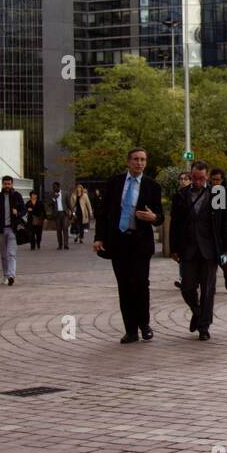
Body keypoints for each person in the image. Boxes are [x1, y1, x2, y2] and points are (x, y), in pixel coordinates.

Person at [93, 147, 164, 344]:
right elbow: (103, 213)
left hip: (140, 242)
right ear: (128, 161)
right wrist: (99, 238)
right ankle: (130, 330)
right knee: (124, 286)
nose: (139, 163)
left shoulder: (152, 186)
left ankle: (144, 325)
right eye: (136, 159)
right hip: (119, 241)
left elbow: (160, 216)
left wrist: (153, 217)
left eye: (143, 160)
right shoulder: (115, 183)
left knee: (141, 284)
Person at [170, 160, 227, 340]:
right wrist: (174, 248)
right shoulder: (180, 195)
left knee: (208, 289)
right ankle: (198, 312)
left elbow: (224, 222)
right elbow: (175, 224)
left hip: (210, 249)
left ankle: (204, 326)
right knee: (187, 287)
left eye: (202, 178)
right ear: (190, 176)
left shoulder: (217, 193)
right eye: (195, 178)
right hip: (188, 248)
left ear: (207, 177)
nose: (198, 181)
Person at [0, 176, 25, 286]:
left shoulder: (17, 196)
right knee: (3, 255)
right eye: (5, 184)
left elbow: (24, 210)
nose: (7, 186)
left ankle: (12, 275)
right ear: (2, 184)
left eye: (9, 184)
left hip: (12, 229)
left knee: (11, 253)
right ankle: (5, 276)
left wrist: (17, 212)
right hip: (0, 230)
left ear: (12, 184)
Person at [208, 168, 227, 291]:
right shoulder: (207, 191)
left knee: (222, 260)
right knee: (210, 263)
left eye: (218, 180)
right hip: (208, 234)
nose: (216, 182)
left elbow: (225, 220)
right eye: (213, 180)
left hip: (220, 236)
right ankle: (210, 284)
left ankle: (226, 272)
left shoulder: (224, 193)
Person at [46, 182, 69, 250]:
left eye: (55, 187)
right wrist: (54, 198)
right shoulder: (52, 195)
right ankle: (60, 245)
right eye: (53, 187)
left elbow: (68, 203)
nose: (53, 188)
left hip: (64, 213)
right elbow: (49, 204)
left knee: (65, 228)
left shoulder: (65, 193)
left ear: (58, 187)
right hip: (57, 214)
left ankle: (66, 244)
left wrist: (72, 212)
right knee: (58, 230)